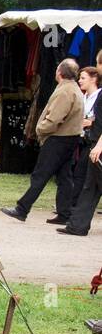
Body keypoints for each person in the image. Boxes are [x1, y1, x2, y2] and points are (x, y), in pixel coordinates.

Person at [1, 59, 84, 223]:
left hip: (58, 139)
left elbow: (54, 119)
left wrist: (39, 129)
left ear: (59, 72)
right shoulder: (74, 89)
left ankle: (22, 209)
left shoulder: (65, 92)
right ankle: (64, 213)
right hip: (70, 138)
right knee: (64, 177)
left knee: (40, 175)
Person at [60, 66, 102, 236]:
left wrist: (99, 145)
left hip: (97, 143)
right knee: (90, 186)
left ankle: (77, 225)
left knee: (90, 185)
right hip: (93, 141)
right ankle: (77, 225)